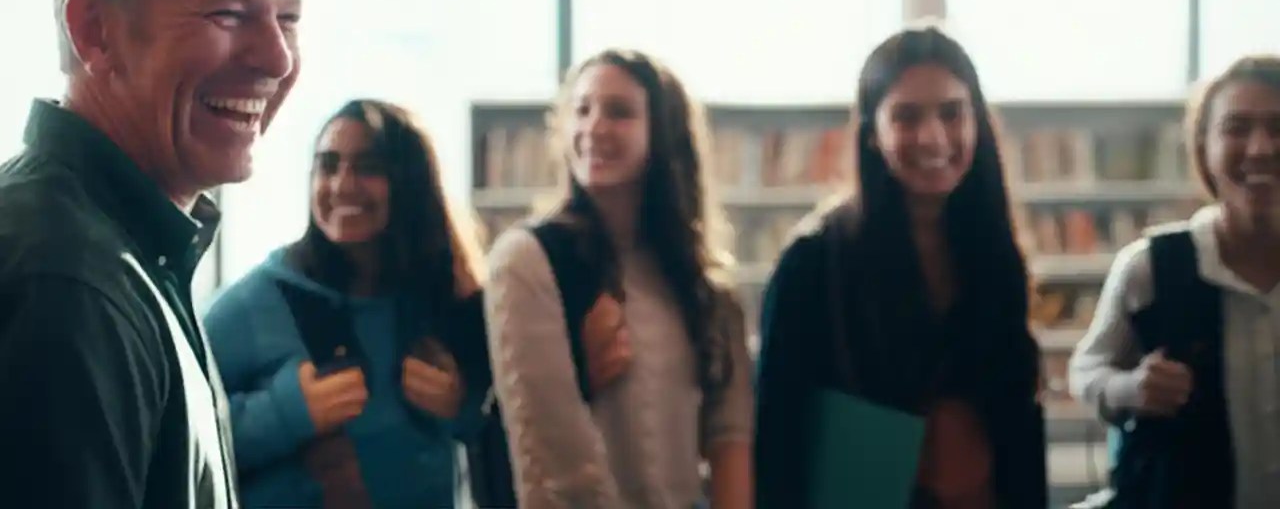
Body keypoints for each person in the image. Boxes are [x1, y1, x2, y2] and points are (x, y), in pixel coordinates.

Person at [0, 0, 299, 508]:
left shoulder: (123, 247)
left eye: (287, 19)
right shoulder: (69, 282)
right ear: (96, 32)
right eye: (228, 14)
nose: (277, 58)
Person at [754, 27, 1047, 509]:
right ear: (872, 133)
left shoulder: (995, 254)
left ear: (978, 122)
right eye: (907, 116)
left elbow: (1017, 421)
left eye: (952, 113)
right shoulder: (813, 263)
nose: (934, 137)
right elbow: (777, 443)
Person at [484, 48, 754, 508]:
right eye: (582, 110)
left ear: (663, 133)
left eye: (620, 112)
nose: (594, 128)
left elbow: (730, 436)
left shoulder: (702, 285)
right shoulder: (527, 261)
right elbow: (550, 462)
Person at [204, 99, 490, 508]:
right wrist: (286, 414)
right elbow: (177, 439)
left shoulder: (445, 299)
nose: (342, 185)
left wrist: (461, 407)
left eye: (369, 167)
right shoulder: (255, 302)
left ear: (410, 184)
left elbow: (500, 434)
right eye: (328, 165)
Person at [1069, 54, 1280, 509]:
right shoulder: (1150, 267)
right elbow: (1085, 371)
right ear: (1203, 146)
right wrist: (1131, 389)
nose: (1261, 148)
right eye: (1237, 127)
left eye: (1277, 127)